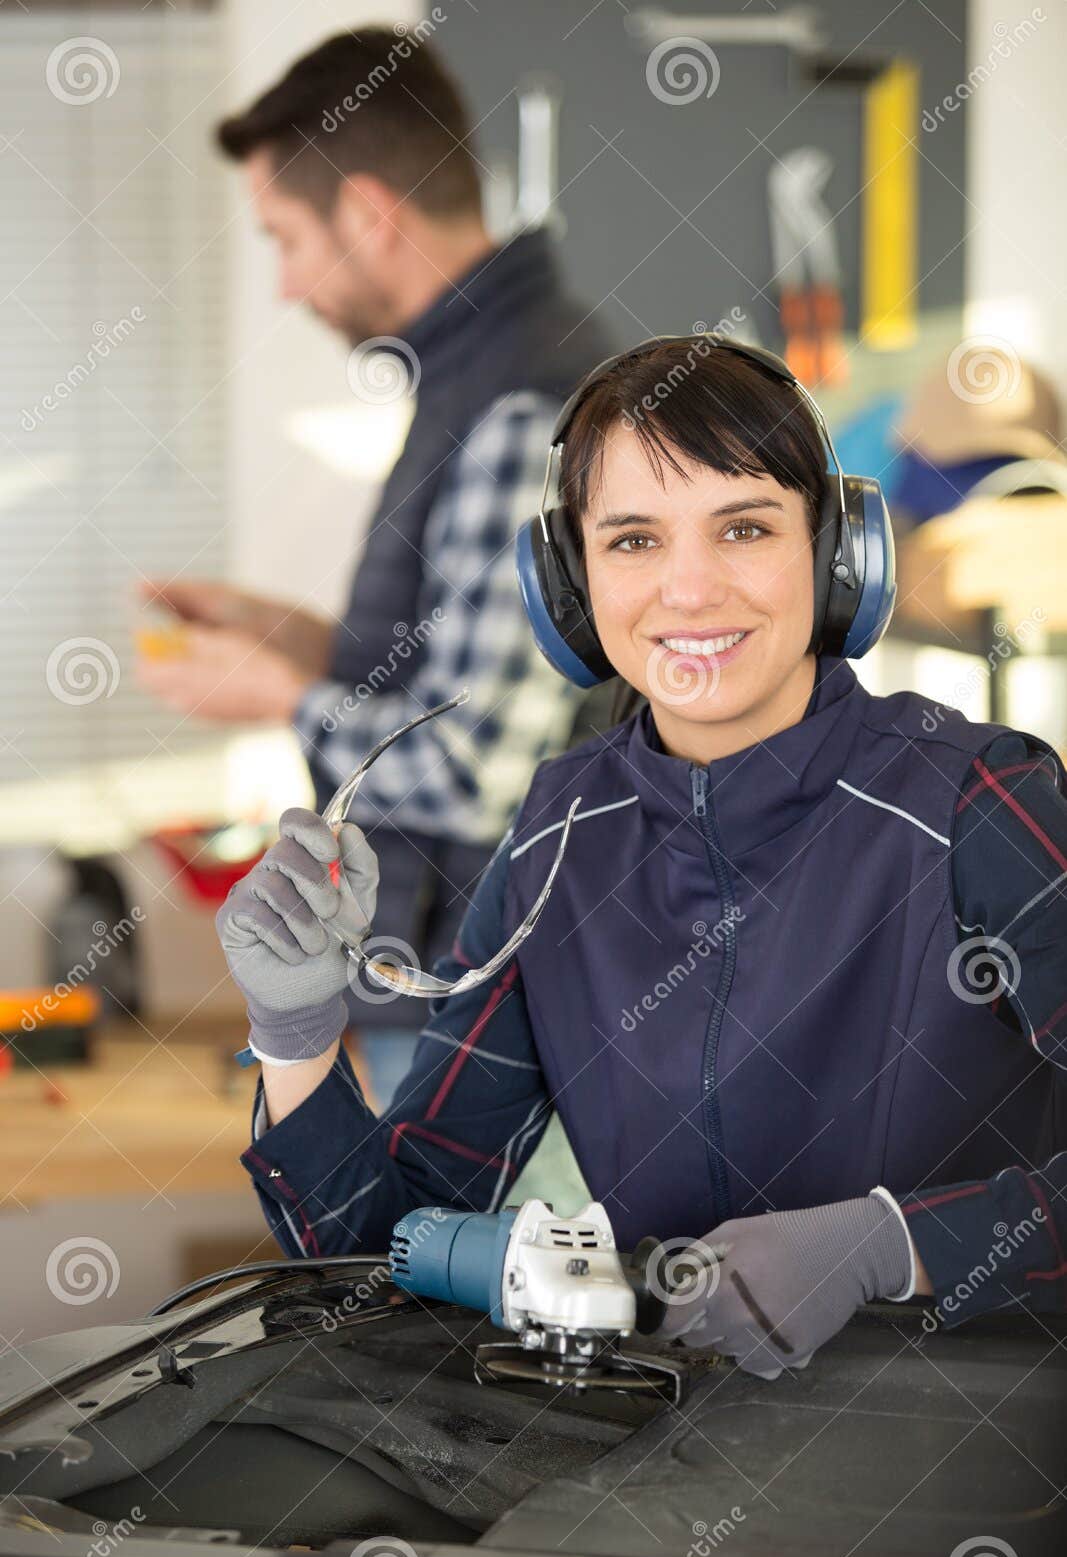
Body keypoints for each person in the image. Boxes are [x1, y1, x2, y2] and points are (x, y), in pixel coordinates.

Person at [216, 335, 1067, 1377]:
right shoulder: (558, 837)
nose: (689, 589)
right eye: (631, 541)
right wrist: (298, 1032)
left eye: (743, 527)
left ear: (835, 554)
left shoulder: (975, 800)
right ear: (568, 586)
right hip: (666, 1463)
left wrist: (893, 1247)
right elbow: (390, 1249)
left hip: (976, 1471)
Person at [136, 28, 613, 1108]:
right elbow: (444, 673)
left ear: (366, 214)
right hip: (447, 993)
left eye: (285, 239)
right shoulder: (477, 371)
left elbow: (473, 768)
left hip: (478, 1009)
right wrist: (291, 640)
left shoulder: (519, 403)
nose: (287, 286)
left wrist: (281, 696)